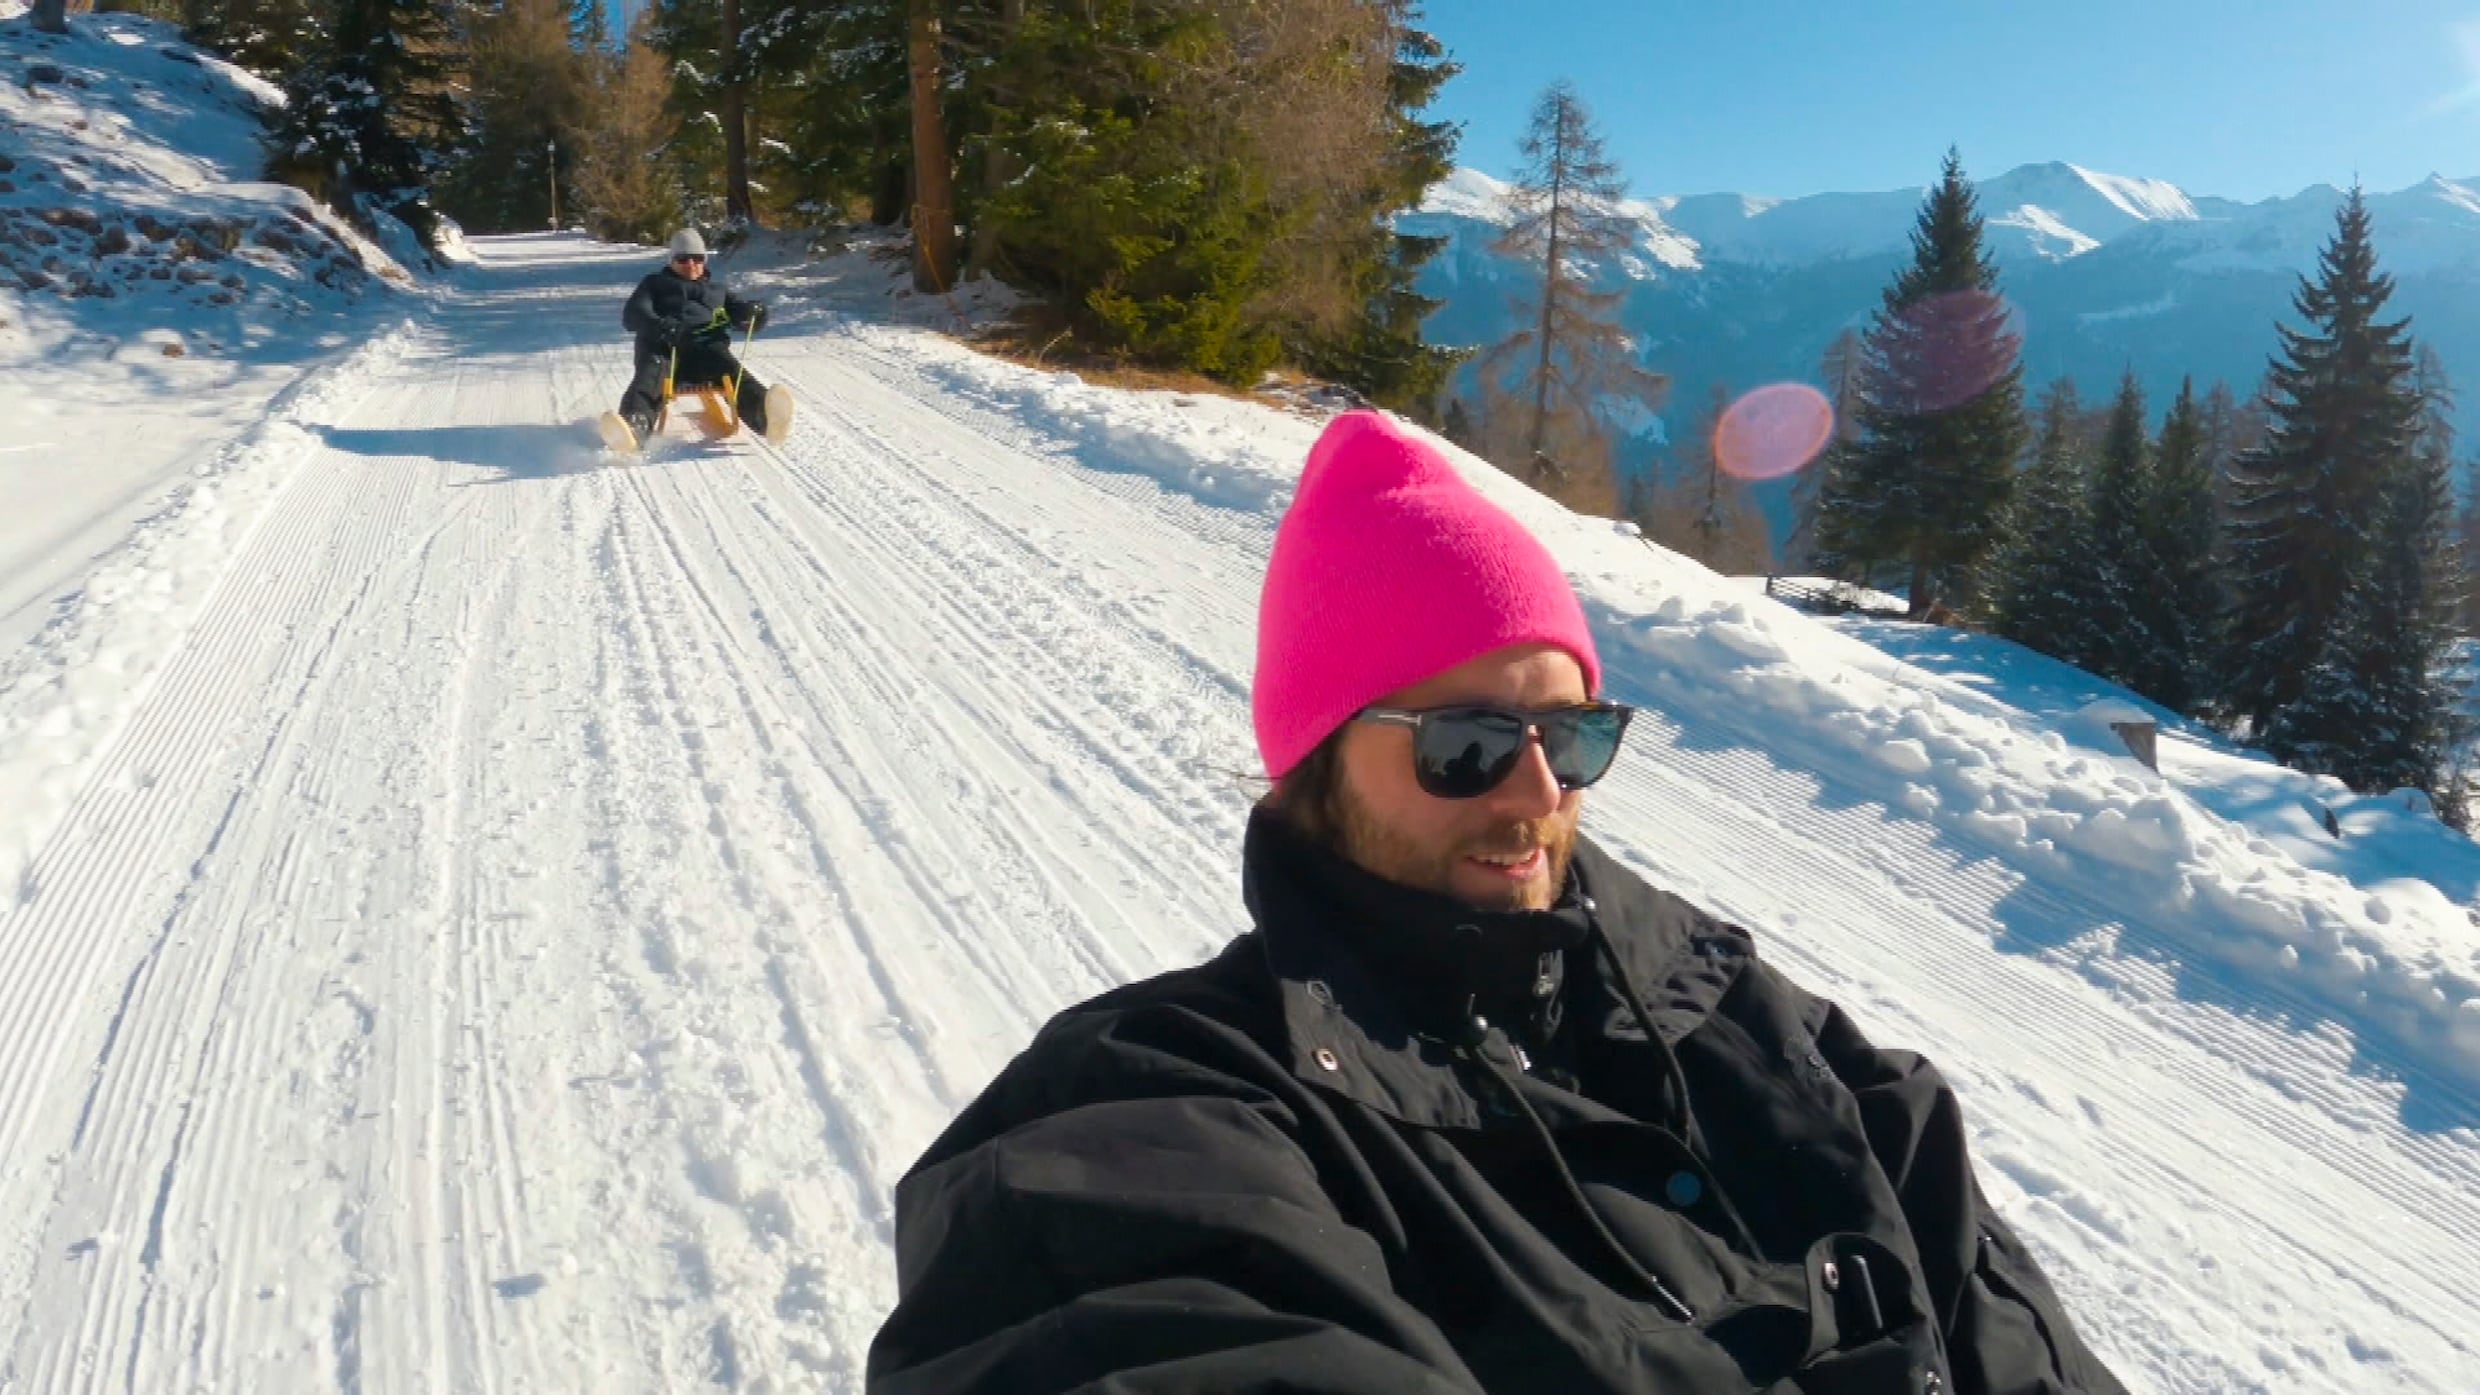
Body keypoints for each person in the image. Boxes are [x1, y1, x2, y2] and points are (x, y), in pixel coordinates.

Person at [866, 411, 2130, 1395]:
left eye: (1570, 735)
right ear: (1314, 763)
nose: (1532, 791)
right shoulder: (1147, 1102)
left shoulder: (1753, 1022)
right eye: (1462, 745)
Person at [608, 229, 790, 449]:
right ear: (671, 260)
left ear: (705, 260)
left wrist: (753, 314)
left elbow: (739, 313)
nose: (691, 264)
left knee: (732, 370)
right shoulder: (654, 284)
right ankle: (634, 427)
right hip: (664, 350)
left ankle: (766, 418)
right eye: (682, 259)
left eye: (697, 258)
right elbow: (633, 314)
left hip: (705, 354)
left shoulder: (717, 290)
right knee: (650, 377)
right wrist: (659, 325)